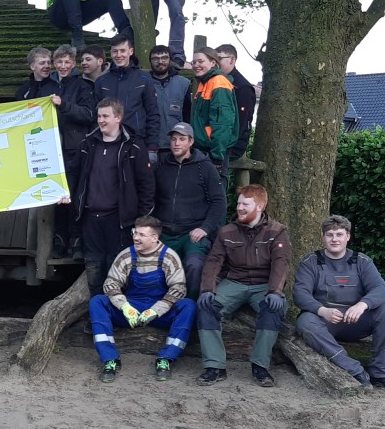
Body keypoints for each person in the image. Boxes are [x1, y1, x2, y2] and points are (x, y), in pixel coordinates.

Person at [294, 215, 385, 392]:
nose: (334, 239)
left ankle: (381, 374)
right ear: (323, 237)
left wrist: (362, 305)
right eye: (330, 235)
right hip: (326, 323)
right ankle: (355, 371)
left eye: (339, 234)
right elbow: (300, 294)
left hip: (356, 321)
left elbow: (381, 289)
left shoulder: (362, 261)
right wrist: (322, 310)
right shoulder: (311, 262)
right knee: (305, 322)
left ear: (348, 236)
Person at [196, 184, 290, 387]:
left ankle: (260, 367)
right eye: (238, 203)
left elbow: (281, 263)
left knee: (273, 309)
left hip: (263, 285)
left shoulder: (277, 231)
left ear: (260, 206)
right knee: (206, 306)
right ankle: (215, 367)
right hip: (234, 282)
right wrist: (207, 289)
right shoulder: (226, 232)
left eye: (245, 204)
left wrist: (275, 291)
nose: (239, 208)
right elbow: (213, 261)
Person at [89, 215, 196, 383]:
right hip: (132, 308)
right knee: (97, 301)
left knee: (188, 305)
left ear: (155, 238)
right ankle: (110, 358)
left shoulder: (169, 256)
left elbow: (179, 288)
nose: (135, 238)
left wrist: (156, 310)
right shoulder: (126, 255)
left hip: (159, 311)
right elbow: (111, 284)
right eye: (135, 233)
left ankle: (166, 358)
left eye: (141, 235)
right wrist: (125, 307)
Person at [67, 98, 154, 296]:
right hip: (90, 218)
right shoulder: (87, 144)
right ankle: (96, 314)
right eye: (99, 116)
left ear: (118, 117)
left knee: (117, 270)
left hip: (119, 220)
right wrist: (68, 196)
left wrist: (141, 220)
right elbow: (73, 173)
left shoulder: (134, 147)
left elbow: (147, 186)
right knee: (93, 269)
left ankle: (116, 315)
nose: (101, 120)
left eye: (105, 116)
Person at [152, 122, 226, 300]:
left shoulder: (205, 167)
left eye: (182, 139)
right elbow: (150, 198)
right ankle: (159, 309)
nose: (176, 143)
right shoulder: (161, 167)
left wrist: (205, 228)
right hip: (164, 232)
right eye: (174, 139)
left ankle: (190, 308)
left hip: (192, 233)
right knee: (152, 266)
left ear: (191, 142)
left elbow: (219, 201)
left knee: (194, 265)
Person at [51, 46, 95, 258]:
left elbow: (88, 115)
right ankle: (58, 241)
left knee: (74, 196)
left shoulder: (82, 86)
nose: (63, 66)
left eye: (67, 62)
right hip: (50, 150)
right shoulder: (48, 85)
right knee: (56, 198)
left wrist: (64, 105)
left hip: (74, 150)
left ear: (73, 63)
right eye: (59, 62)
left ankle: (76, 241)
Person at [94, 34, 162, 159]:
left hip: (136, 140)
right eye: (115, 51)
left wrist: (152, 147)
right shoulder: (101, 81)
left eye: (122, 51)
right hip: (108, 142)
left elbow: (153, 114)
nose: (118, 55)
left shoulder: (144, 79)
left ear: (131, 51)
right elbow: (95, 115)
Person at [190, 46, 238, 184]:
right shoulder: (203, 83)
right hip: (204, 149)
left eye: (201, 61)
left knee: (215, 194)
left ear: (213, 63)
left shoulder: (218, 83)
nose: (196, 65)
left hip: (214, 151)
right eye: (194, 62)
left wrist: (217, 155)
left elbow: (223, 123)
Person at [149, 45, 191, 155]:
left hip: (176, 147)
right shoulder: (143, 83)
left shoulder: (183, 84)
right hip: (149, 146)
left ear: (170, 60)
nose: (160, 61)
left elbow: (188, 116)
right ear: (150, 62)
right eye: (155, 59)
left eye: (164, 58)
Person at [216, 44, 256, 161]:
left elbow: (241, 124)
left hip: (232, 146)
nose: (215, 63)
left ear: (232, 60)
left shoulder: (243, 88)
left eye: (219, 59)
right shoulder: (217, 81)